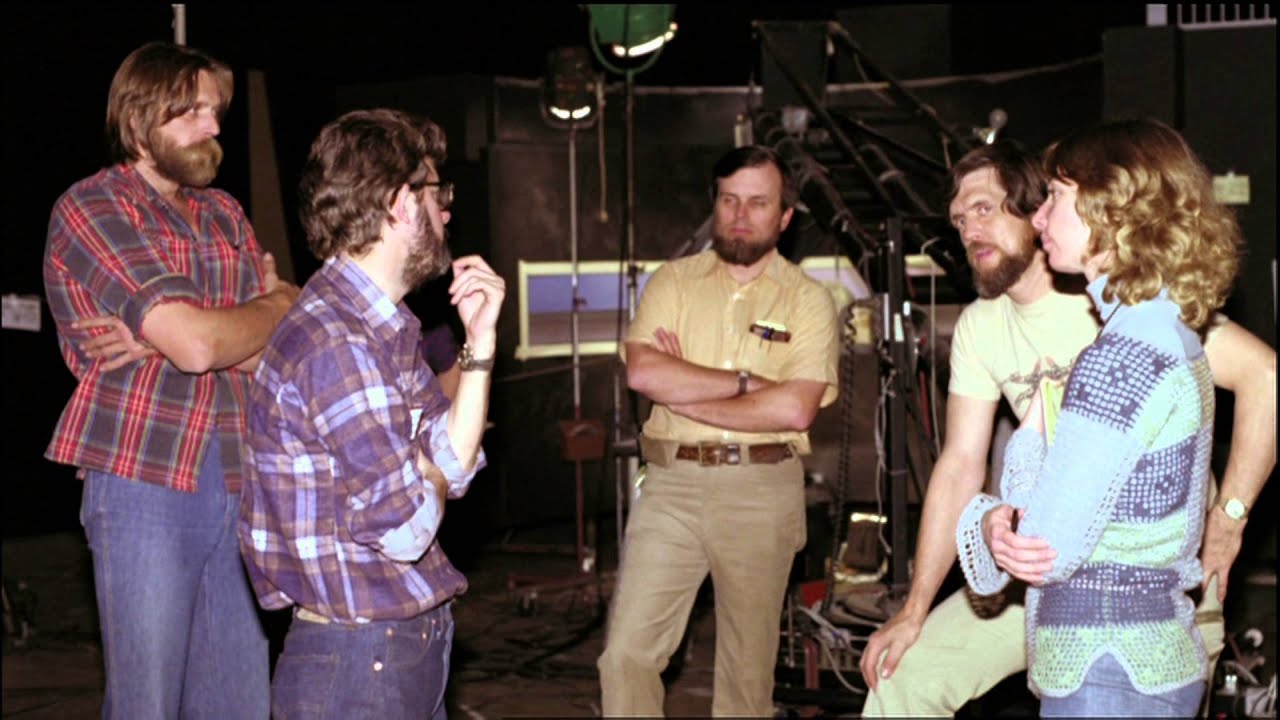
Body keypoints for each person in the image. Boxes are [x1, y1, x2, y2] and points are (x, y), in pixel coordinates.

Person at [859, 139, 1276, 716]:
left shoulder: (1128, 306)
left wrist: (1229, 520)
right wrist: (914, 609)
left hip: (1142, 588)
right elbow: (959, 466)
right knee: (899, 678)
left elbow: (1268, 376)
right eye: (957, 220)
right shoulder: (981, 326)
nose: (968, 230)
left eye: (984, 209)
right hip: (1039, 573)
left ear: (1037, 208)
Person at [41, 41, 297, 718]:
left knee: (240, 703)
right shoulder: (92, 208)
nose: (213, 126)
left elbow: (269, 349)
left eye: (215, 111)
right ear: (138, 119)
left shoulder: (225, 214)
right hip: (142, 475)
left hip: (241, 476)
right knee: (146, 703)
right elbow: (194, 346)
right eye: (191, 112)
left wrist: (252, 319)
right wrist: (263, 309)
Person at [955, 118, 1240, 715]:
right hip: (1147, 661)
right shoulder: (1168, 330)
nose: (1038, 218)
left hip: (1104, 670)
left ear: (1109, 210)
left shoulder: (1121, 356)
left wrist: (994, 506)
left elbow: (1040, 542)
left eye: (1056, 198)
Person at [238, 108, 505, 720]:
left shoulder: (381, 326)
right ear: (399, 203)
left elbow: (453, 467)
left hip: (389, 653)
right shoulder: (338, 342)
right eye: (439, 193)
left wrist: (481, 347)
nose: (447, 212)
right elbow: (409, 528)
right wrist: (425, 473)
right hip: (360, 663)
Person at [597, 145, 840, 717]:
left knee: (745, 679)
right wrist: (744, 383)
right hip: (670, 488)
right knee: (625, 656)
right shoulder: (673, 282)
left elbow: (796, 411)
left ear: (784, 217)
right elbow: (643, 372)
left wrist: (686, 392)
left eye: (758, 203)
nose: (740, 215)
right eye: (729, 201)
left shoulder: (809, 300)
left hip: (762, 491)